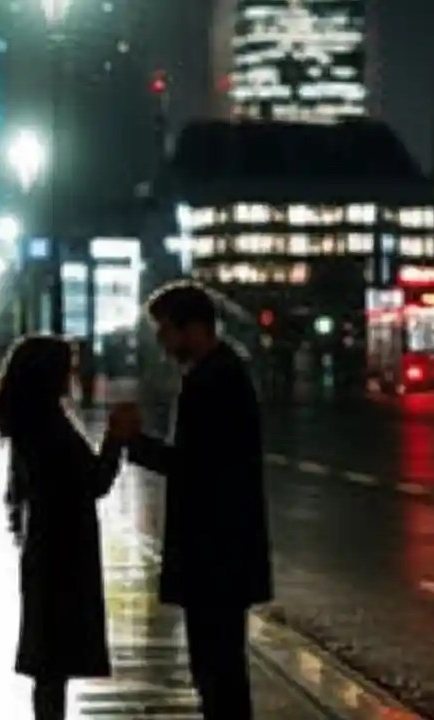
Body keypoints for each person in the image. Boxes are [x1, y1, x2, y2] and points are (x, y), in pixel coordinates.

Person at [111, 282, 272, 720]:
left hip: (215, 552)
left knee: (217, 671)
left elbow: (196, 466)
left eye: (166, 330)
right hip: (222, 552)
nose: (162, 342)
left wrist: (134, 443)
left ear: (193, 327)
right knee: (218, 669)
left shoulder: (213, 380)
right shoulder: (219, 372)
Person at [0, 336, 123, 720]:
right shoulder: (49, 424)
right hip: (63, 549)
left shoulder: (28, 421)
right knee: (55, 658)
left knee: (49, 661)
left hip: (46, 544)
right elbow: (93, 481)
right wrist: (116, 439)